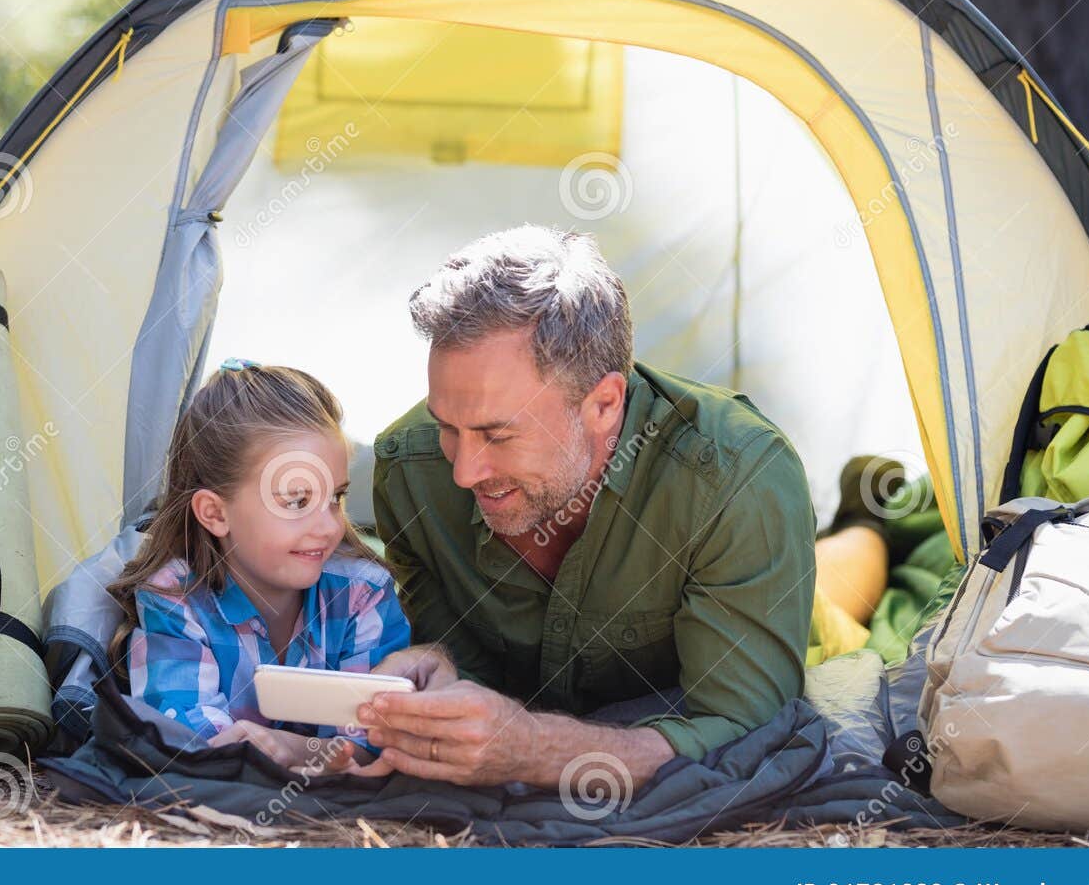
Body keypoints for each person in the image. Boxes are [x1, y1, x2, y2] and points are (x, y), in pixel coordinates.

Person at [350, 225, 894, 790]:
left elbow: (742, 728)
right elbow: (468, 658)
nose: (464, 471)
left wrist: (538, 750)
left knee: (851, 577)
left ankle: (870, 519)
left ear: (604, 404)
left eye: (498, 434)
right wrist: (440, 668)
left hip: (804, 613)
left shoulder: (737, 477)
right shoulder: (410, 470)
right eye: (447, 428)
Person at [107, 359, 410, 776]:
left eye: (336, 498)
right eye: (297, 502)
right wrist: (288, 751)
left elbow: (380, 732)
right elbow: (184, 729)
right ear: (215, 513)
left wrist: (291, 748)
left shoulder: (362, 594)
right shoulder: (174, 599)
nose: (328, 527)